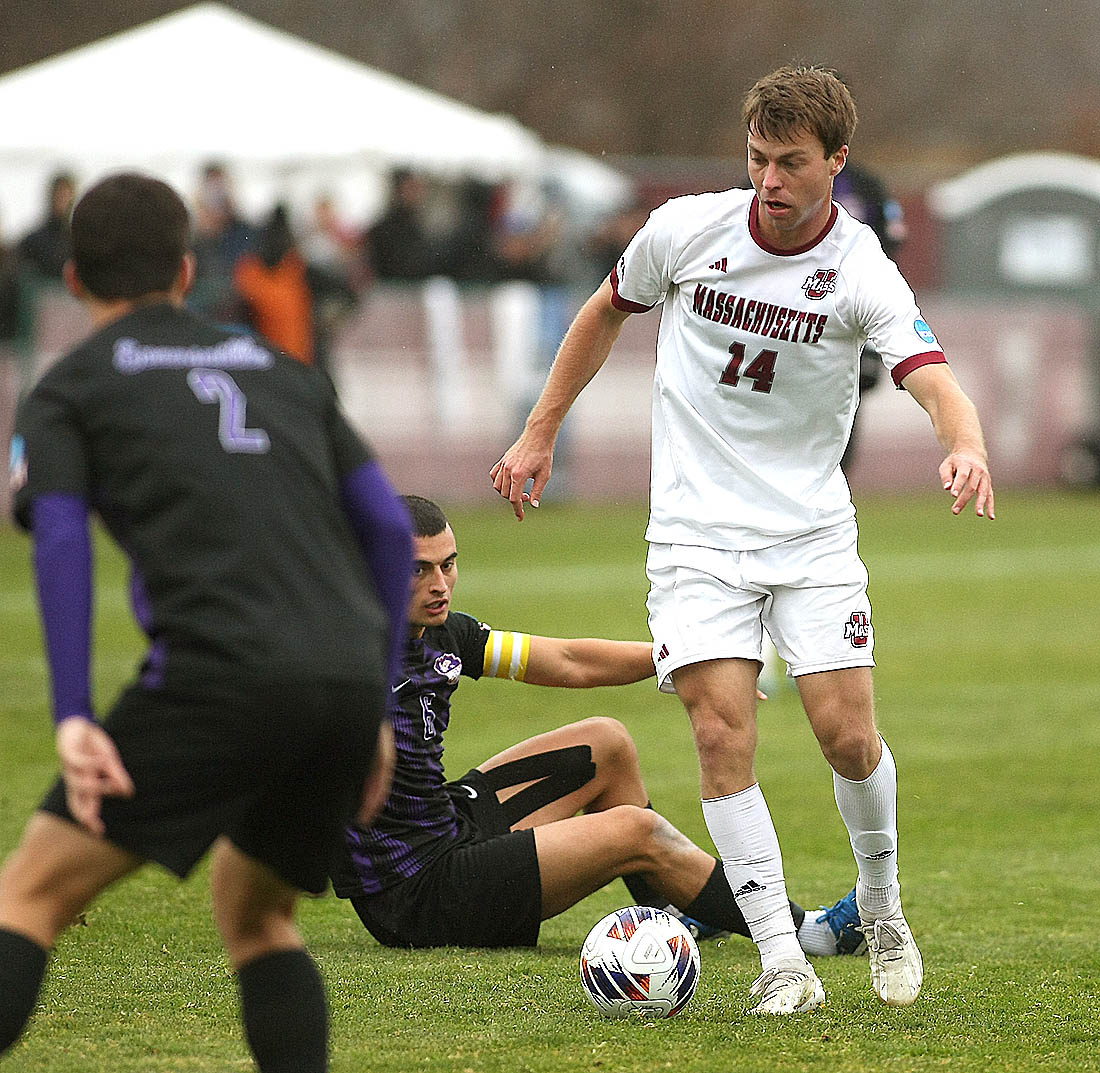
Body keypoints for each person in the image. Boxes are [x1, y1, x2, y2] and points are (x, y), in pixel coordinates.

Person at [492, 65, 994, 1015]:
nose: (770, 179)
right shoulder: (686, 228)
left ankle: (882, 904)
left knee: (847, 738)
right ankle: (781, 960)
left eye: (793, 163)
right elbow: (603, 311)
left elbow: (929, 372)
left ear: (837, 163)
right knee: (721, 732)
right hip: (693, 534)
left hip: (808, 533)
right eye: (759, 158)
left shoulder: (860, 269)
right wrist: (540, 428)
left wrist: (964, 443)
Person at [0, 172, 413, 1072]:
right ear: (188, 271)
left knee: (27, 896)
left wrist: (73, 713)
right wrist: (376, 706)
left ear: (73, 280)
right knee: (258, 913)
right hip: (343, 684)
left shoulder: (69, 389)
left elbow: (59, 536)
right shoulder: (283, 370)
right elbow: (388, 531)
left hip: (220, 676)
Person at [332, 495, 864, 958]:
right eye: (418, 569)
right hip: (419, 894)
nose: (440, 585)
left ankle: (675, 919)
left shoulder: (445, 635)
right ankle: (806, 933)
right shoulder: (348, 658)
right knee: (638, 831)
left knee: (604, 743)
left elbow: (566, 660)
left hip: (446, 827)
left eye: (449, 565)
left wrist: (687, 660)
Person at [16, 171, 76, 282]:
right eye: (59, 195)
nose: (62, 199)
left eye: (66, 195)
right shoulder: (32, 241)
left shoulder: (78, 240)